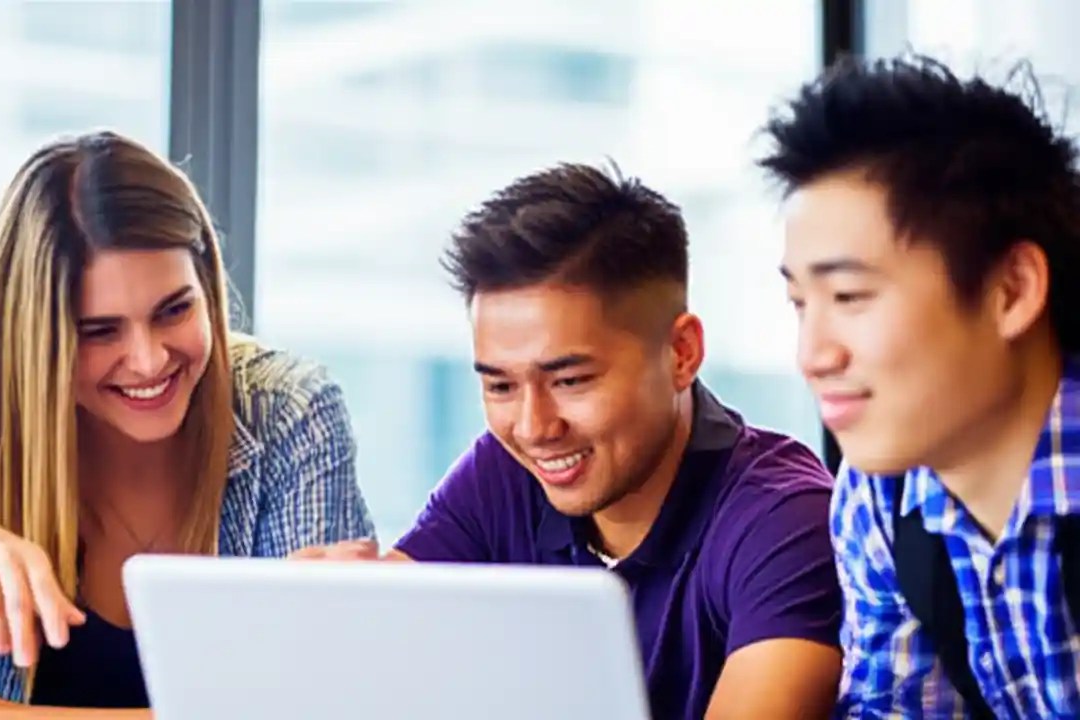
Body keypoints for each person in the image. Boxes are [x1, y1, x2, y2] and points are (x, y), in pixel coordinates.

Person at [0, 130, 375, 719]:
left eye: (175, 310)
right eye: (100, 331)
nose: (150, 359)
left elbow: (322, 707)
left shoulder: (289, 413)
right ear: (37, 336)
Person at [298, 163, 844, 719]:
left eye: (570, 381)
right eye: (501, 385)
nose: (534, 427)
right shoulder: (504, 474)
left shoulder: (783, 520)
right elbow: (376, 651)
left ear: (681, 353)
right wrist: (322, 626)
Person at [761, 54, 1080, 719]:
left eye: (849, 295)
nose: (812, 355)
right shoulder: (881, 495)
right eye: (800, 303)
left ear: (1011, 290)